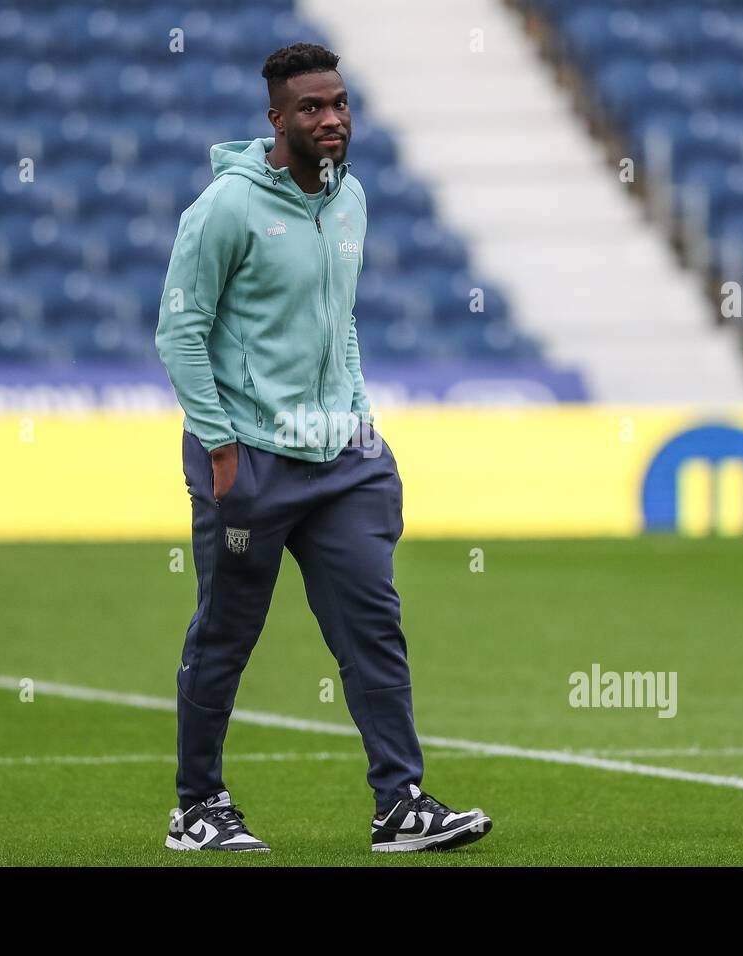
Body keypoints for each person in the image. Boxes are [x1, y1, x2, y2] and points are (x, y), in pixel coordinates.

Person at [155, 42, 492, 853]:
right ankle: (197, 806)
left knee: (373, 624)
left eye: (339, 103)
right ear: (277, 119)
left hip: (340, 459)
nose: (332, 119)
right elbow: (180, 331)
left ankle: (400, 804)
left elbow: (339, 323)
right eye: (311, 107)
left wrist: (362, 417)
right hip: (252, 462)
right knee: (227, 635)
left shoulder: (352, 202)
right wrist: (220, 443)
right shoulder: (226, 208)